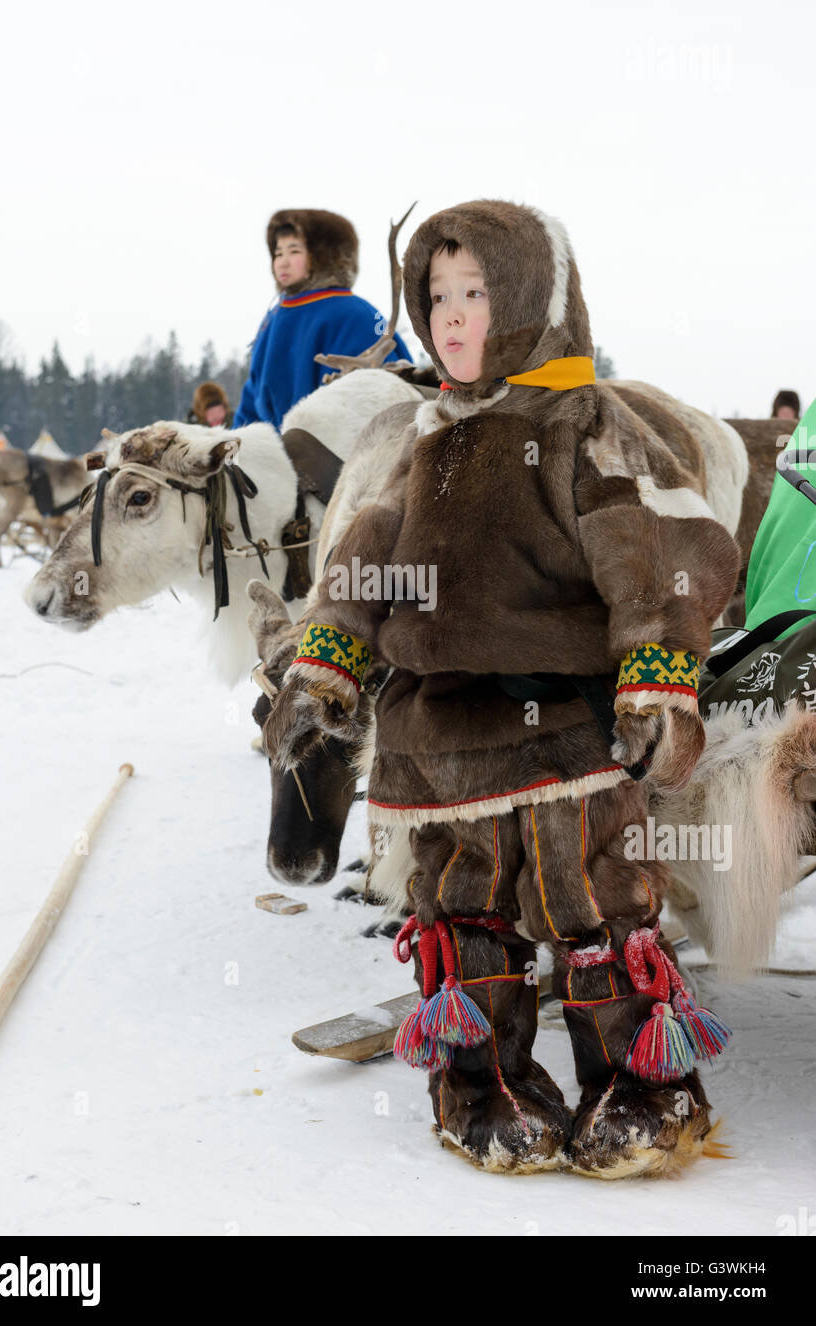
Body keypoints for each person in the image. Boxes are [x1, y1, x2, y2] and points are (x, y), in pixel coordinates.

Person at [263, 200, 740, 1179]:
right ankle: (484, 1088)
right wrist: (328, 662)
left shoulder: (588, 426)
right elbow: (363, 563)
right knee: (465, 910)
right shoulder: (421, 438)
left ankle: (644, 1089)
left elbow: (663, 549)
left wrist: (658, 668)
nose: (450, 315)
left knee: (599, 902)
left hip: (570, 732)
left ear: (535, 300)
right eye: (435, 295)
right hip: (442, 733)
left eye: (475, 293)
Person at [232, 209, 412, 429]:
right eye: (278, 254)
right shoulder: (274, 317)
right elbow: (253, 395)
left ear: (323, 256)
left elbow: (383, 392)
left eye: (294, 251)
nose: (283, 262)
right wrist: (237, 447)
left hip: (335, 451)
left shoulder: (353, 314)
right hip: (275, 451)